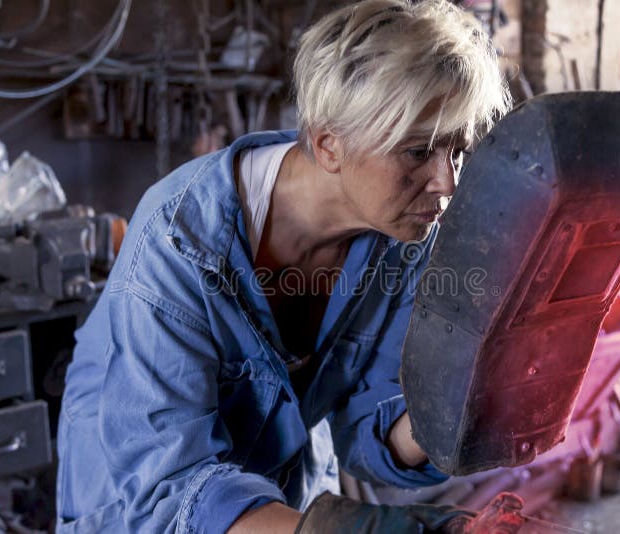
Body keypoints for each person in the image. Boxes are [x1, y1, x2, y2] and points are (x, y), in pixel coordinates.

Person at [55, 1, 512, 532]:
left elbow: (365, 436)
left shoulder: (403, 241)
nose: (448, 183)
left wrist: (455, 407)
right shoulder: (179, 238)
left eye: (457, 151)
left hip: (284, 490)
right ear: (328, 145)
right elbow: (173, 490)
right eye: (417, 153)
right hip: (137, 501)